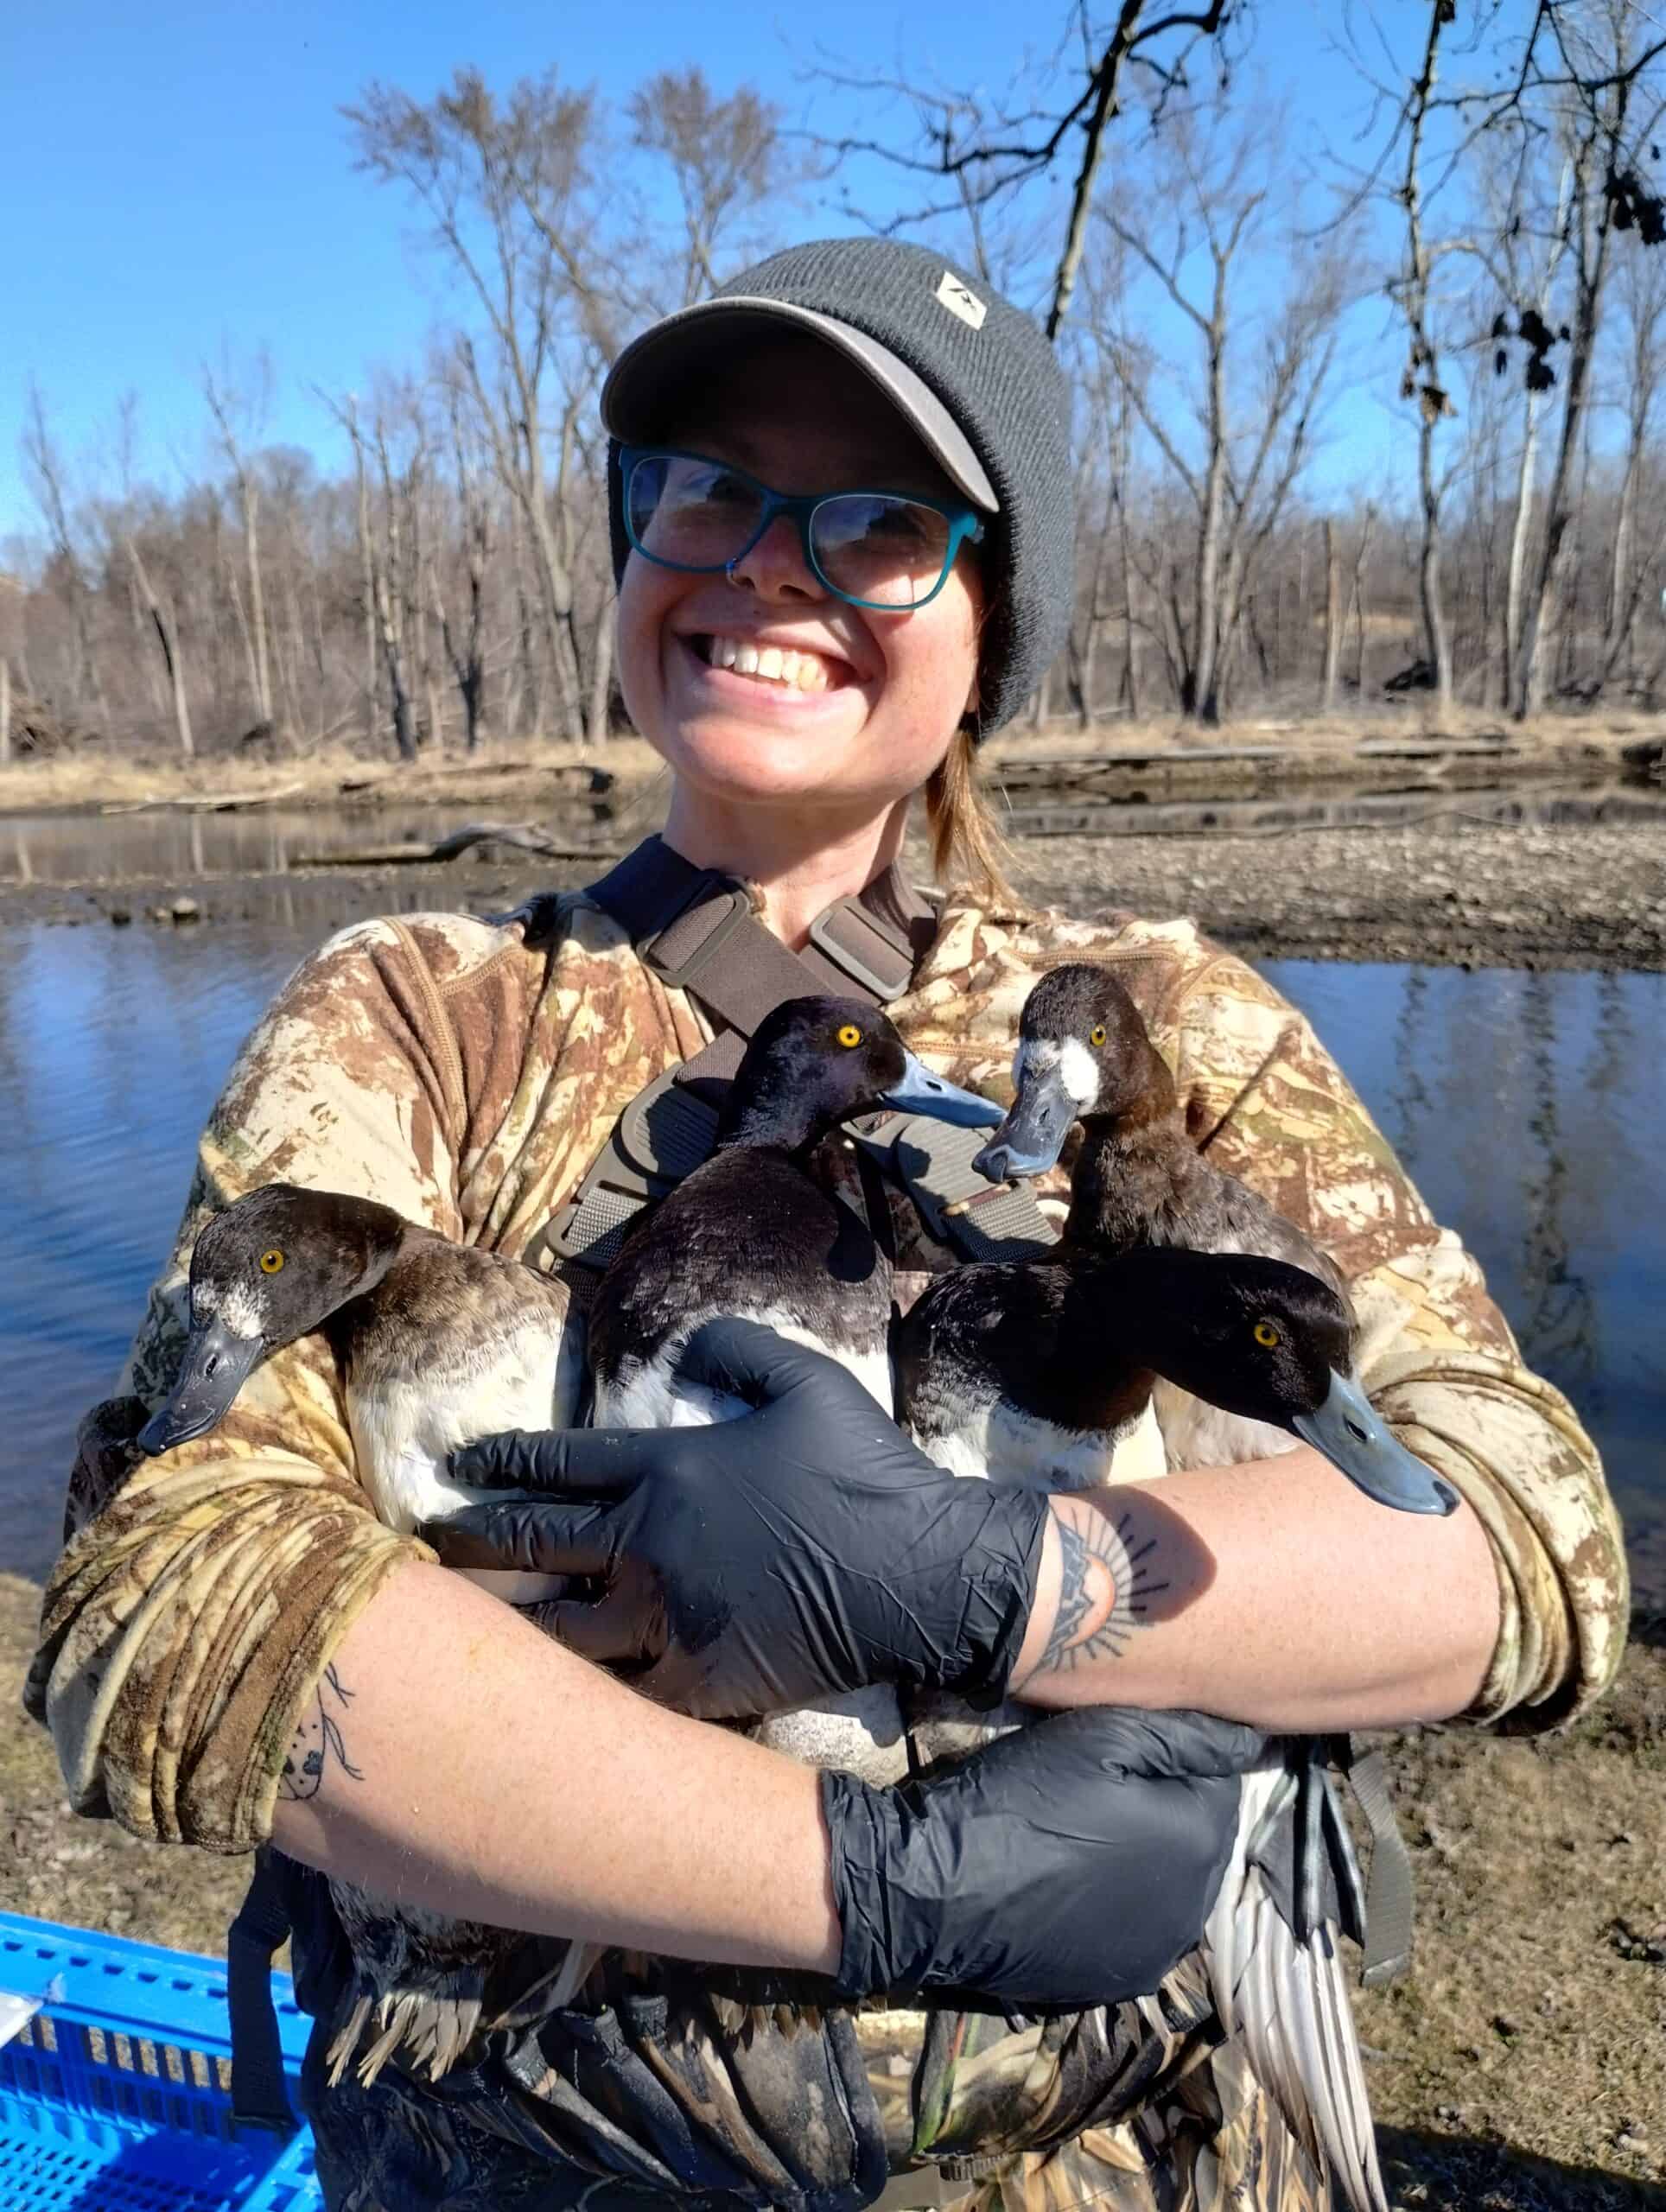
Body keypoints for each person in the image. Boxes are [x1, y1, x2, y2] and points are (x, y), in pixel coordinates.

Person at [29, 238, 1624, 2212]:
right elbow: (166, 1597)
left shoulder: (1155, 1028)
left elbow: (1516, 1539)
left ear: (987, 621)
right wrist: (875, 1885)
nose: (772, 563)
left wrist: (990, 1580)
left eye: (877, 524)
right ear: (631, 544)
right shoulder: (422, 1022)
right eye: (711, 489)